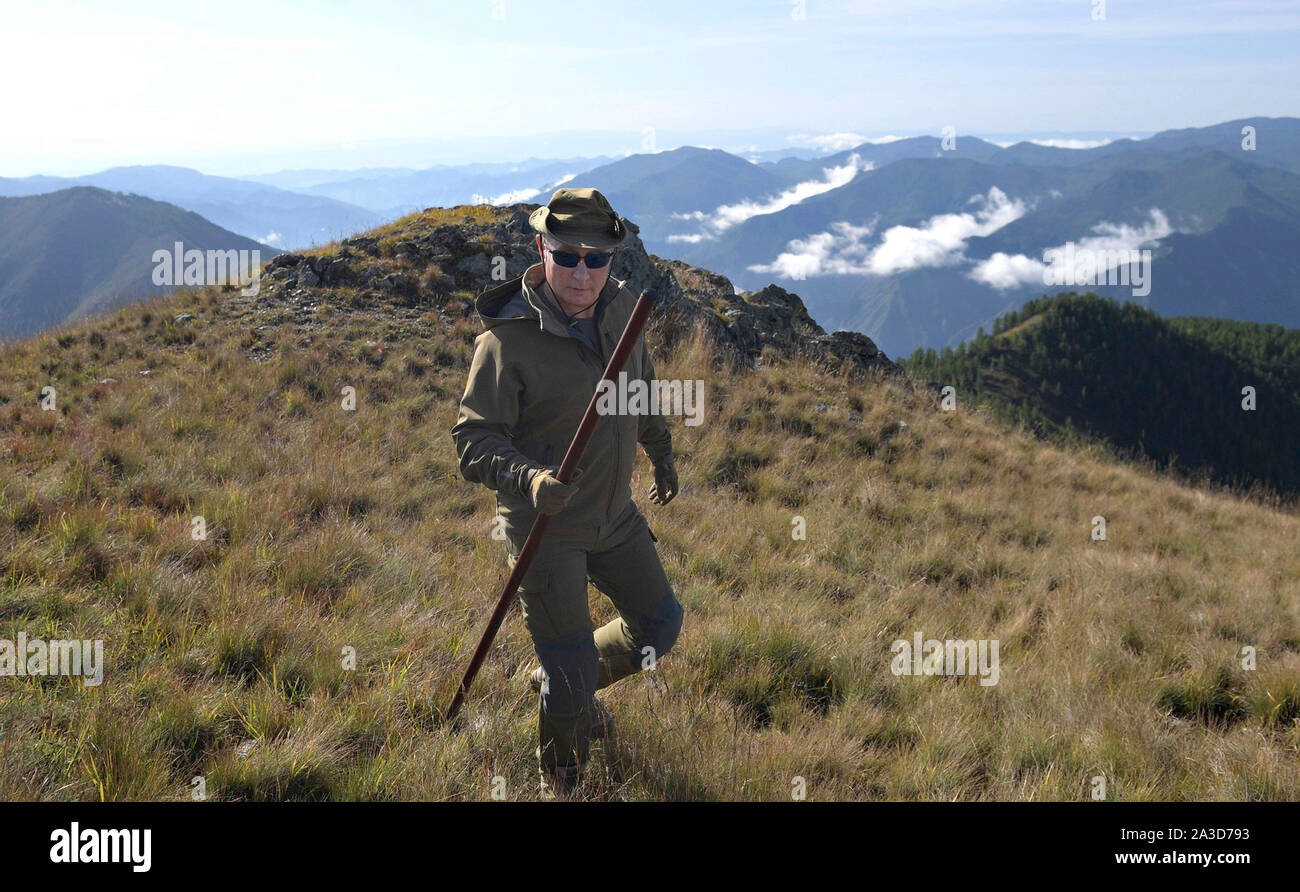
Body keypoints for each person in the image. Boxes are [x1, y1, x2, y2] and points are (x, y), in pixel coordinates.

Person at [450, 187, 683, 797]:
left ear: (613, 260)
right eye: (568, 255)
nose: (583, 272)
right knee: (572, 669)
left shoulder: (624, 311)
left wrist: (660, 451)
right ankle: (564, 776)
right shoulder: (506, 342)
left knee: (659, 626)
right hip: (545, 528)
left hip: (615, 514)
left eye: (596, 258)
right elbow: (473, 441)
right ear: (542, 249)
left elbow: (642, 390)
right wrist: (530, 479)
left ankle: (561, 684)